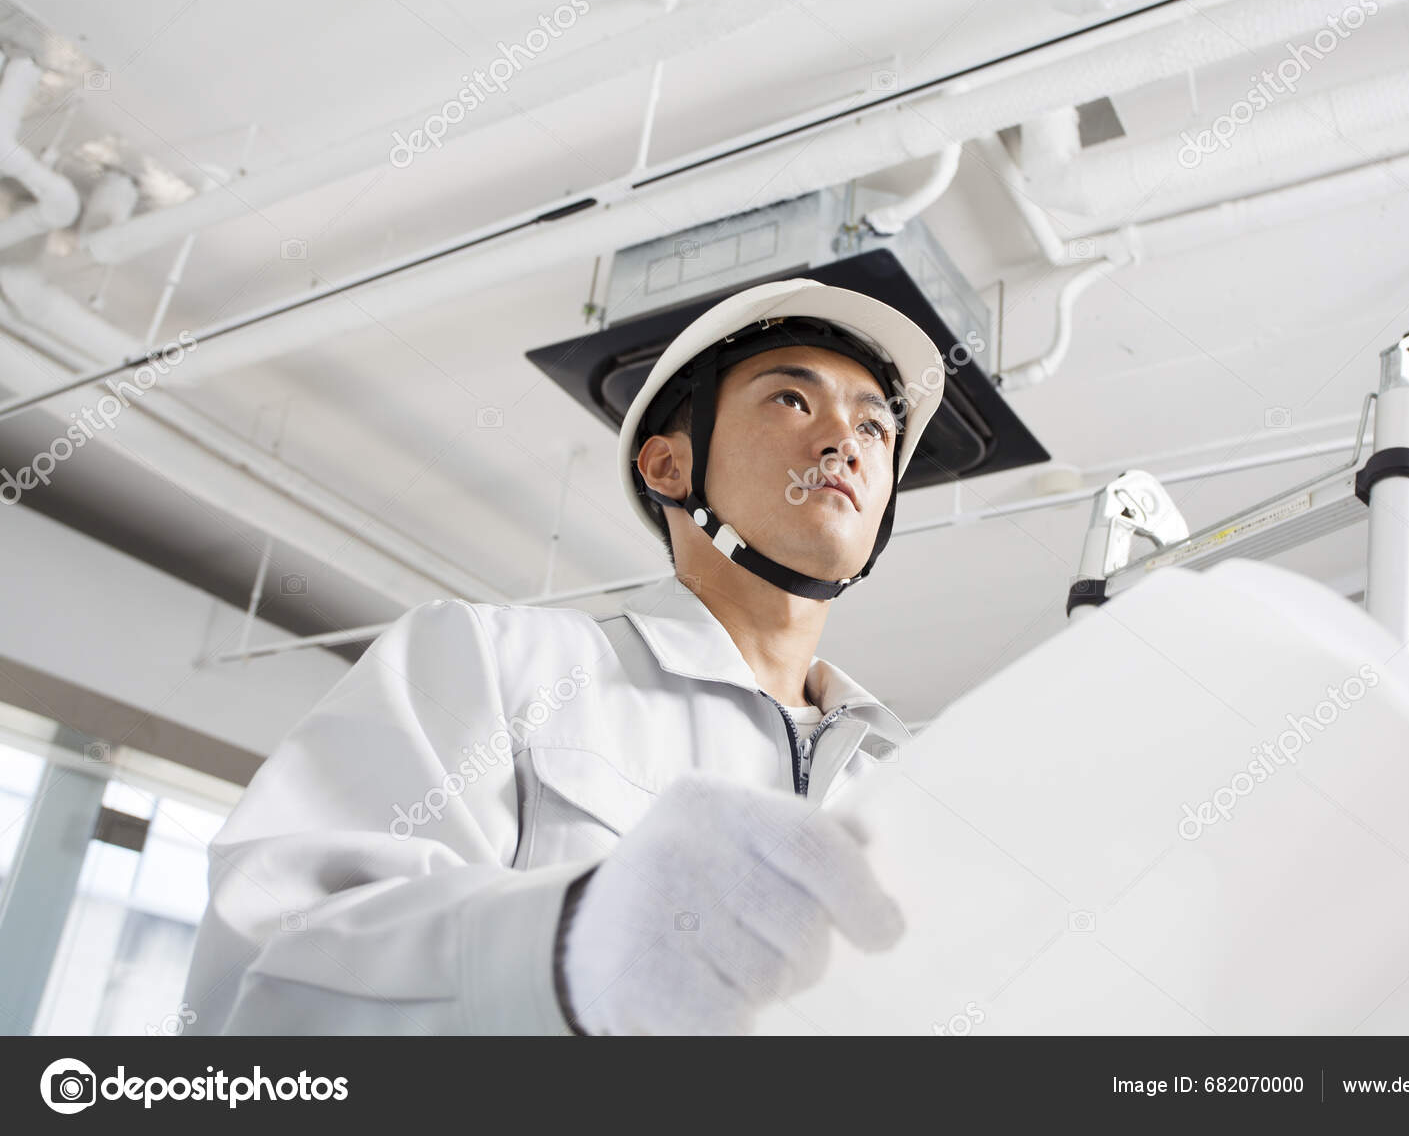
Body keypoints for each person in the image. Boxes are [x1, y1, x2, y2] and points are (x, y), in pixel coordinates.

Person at [179, 277, 947, 1035]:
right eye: (794, 399)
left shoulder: (907, 784)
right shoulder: (490, 661)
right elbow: (264, 973)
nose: (846, 441)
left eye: (876, 428)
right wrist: (568, 949)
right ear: (667, 467)